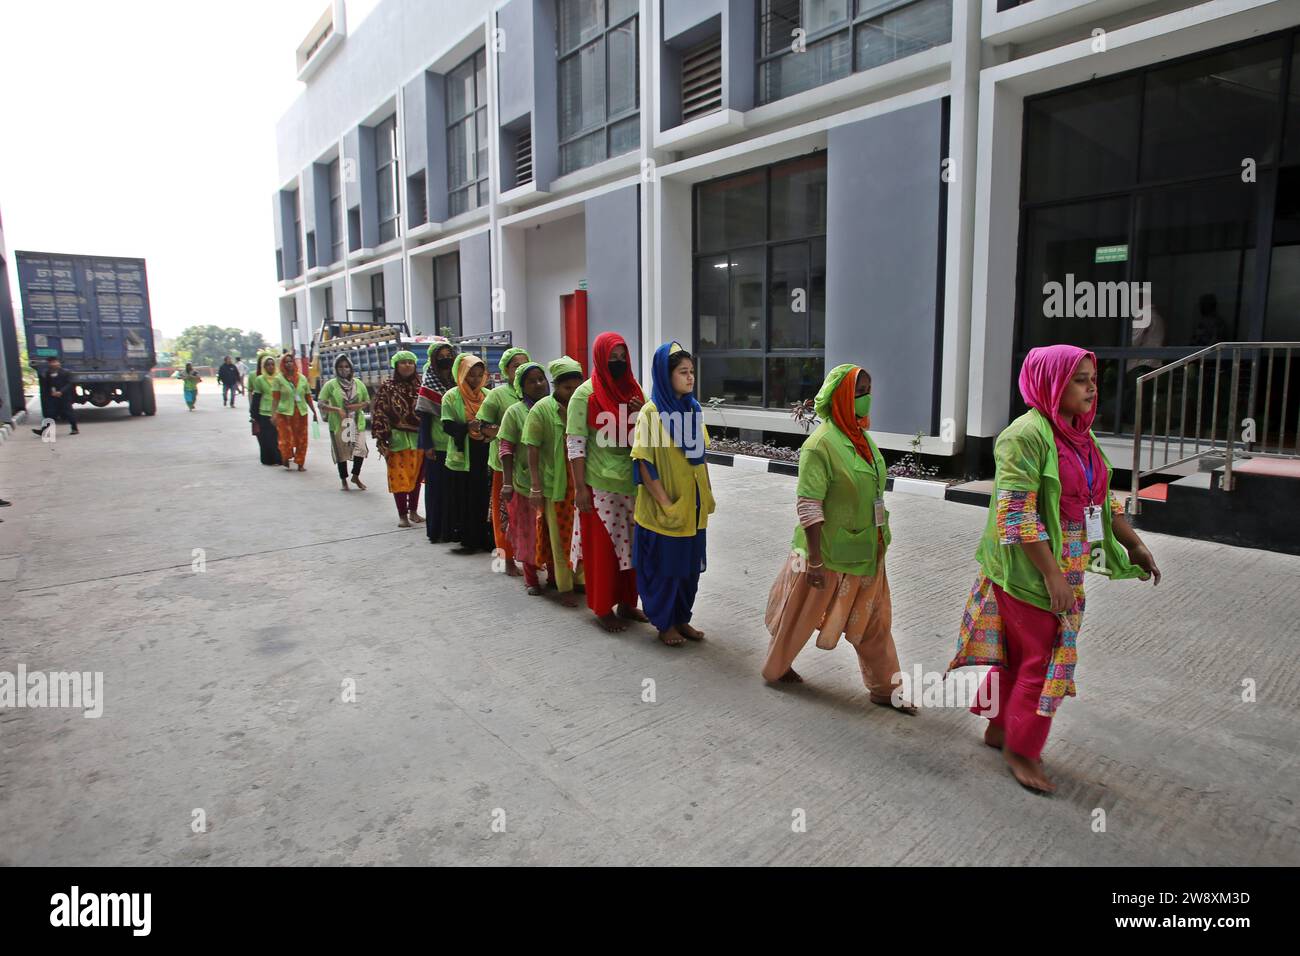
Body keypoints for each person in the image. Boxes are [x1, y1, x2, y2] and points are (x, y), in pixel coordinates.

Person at [949, 345, 1161, 794]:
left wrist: (1134, 544)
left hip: (1068, 566)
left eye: (1093, 378)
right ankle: (1022, 751)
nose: (1092, 387)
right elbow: (1017, 515)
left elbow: (1102, 500)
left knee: (1021, 654)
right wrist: (1051, 576)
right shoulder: (1023, 436)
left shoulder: (1079, 434)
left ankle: (999, 729)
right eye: (1080, 379)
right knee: (1044, 661)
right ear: (1052, 383)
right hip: (1030, 571)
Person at [761, 365, 916, 714]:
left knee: (875, 623)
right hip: (824, 553)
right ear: (840, 397)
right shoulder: (820, 445)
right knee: (797, 618)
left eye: (869, 390)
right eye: (858, 391)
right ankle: (776, 667)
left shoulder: (861, 439)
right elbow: (808, 503)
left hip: (867, 549)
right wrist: (814, 560)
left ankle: (885, 688)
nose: (866, 398)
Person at [631, 343, 715, 645]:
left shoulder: (693, 409)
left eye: (692, 372)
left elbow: (700, 456)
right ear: (667, 377)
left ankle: (682, 618)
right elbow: (644, 462)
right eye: (683, 372)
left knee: (688, 569)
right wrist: (666, 503)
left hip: (692, 507)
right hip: (663, 508)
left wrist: (708, 491)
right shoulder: (651, 413)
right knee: (665, 569)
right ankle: (664, 624)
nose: (690, 378)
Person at [567, 332, 649, 631]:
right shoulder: (585, 395)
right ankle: (602, 608)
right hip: (599, 484)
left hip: (634, 483)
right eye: (612, 358)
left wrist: (643, 414)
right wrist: (579, 489)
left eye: (622, 357)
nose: (618, 363)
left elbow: (650, 432)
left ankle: (629, 603)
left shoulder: (634, 389)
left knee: (633, 547)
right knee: (604, 549)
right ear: (599, 358)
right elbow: (575, 443)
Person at [523, 356, 587, 605]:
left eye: (576, 387)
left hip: (581, 482)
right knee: (561, 538)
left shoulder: (585, 405)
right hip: (555, 486)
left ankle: (581, 580)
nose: (572, 393)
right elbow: (532, 449)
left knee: (580, 535)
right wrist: (535, 486)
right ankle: (564, 586)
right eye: (566, 388)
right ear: (556, 386)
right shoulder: (541, 409)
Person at [476, 347, 530, 575]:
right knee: (503, 513)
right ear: (506, 370)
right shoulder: (498, 395)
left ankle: (529, 555)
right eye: (515, 365)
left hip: (528, 466)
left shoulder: (533, 392)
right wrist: (506, 432)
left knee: (526, 512)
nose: (520, 369)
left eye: (524, 364)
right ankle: (505, 558)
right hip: (503, 464)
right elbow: (481, 427)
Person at [499, 362, 552, 595]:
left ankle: (554, 575)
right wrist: (508, 483)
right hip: (524, 484)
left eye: (542, 379)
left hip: (553, 482)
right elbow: (506, 448)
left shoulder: (554, 407)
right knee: (528, 531)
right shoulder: (515, 412)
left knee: (551, 532)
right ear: (521, 386)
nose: (539, 384)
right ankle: (531, 578)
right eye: (532, 381)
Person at [441, 354, 494, 554]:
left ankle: (484, 536)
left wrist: (487, 429)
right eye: (471, 375)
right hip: (463, 454)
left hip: (484, 449)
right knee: (465, 497)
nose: (475, 380)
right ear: (461, 374)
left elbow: (494, 420)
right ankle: (468, 538)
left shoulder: (488, 395)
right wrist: (468, 426)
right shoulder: (452, 396)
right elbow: (447, 425)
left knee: (483, 496)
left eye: (479, 375)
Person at [372, 350, 425, 527]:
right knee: (399, 478)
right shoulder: (388, 386)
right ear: (396, 365)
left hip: (419, 439)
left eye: (411, 362)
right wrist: (381, 439)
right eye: (403, 362)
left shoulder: (421, 386)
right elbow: (379, 412)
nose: (407, 365)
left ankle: (413, 511)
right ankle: (402, 514)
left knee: (416, 478)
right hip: (397, 439)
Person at [417, 338, 458, 543]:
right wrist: (427, 445)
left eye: (448, 356)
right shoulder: (428, 384)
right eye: (440, 357)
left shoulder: (457, 380)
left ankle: (451, 529)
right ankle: (436, 531)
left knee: (452, 489)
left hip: (456, 444)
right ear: (433, 360)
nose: (445, 360)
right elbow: (424, 418)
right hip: (437, 445)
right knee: (435, 490)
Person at [317, 354, 371, 491]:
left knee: (361, 450)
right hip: (339, 425)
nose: (344, 369)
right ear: (336, 368)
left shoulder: (358, 384)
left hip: (356, 423)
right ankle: (343, 480)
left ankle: (355, 475)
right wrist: (336, 409)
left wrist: (356, 407)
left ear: (351, 368)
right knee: (342, 454)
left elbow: (367, 401)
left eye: (346, 366)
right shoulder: (330, 385)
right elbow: (321, 404)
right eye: (340, 367)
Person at [270, 353, 317, 471]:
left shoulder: (302, 378)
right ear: (282, 364)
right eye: (286, 362)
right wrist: (273, 414)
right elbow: (275, 399)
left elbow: (308, 397)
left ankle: (300, 463)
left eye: (290, 361)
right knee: (285, 438)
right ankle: (285, 457)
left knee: (302, 439)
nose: (288, 363)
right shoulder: (278, 379)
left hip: (300, 413)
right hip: (284, 413)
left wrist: (314, 411)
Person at [248, 353, 282, 466]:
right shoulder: (259, 379)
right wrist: (253, 415)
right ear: (264, 366)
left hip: (278, 411)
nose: (271, 367)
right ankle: (268, 459)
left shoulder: (279, 378)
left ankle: (279, 458)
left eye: (272, 364)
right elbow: (256, 397)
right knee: (266, 438)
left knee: (277, 437)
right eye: (268, 365)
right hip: (264, 412)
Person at [33, 356, 79, 436]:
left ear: (59, 363)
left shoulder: (66, 372)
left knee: (68, 413)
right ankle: (44, 430)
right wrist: (48, 394)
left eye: (55, 362)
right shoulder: (48, 373)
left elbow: (69, 384)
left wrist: (61, 392)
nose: (54, 364)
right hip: (53, 397)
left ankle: (74, 428)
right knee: (50, 413)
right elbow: (46, 385)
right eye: (51, 363)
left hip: (64, 397)